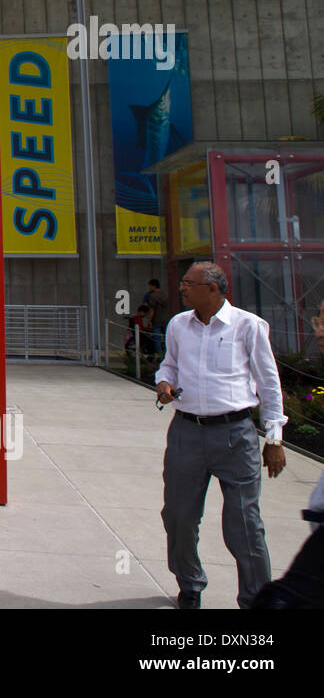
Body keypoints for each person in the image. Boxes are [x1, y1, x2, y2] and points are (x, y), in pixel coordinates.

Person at [155, 261, 287, 609]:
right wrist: (164, 382)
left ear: (212, 289)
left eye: (189, 283)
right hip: (186, 434)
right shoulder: (178, 325)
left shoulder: (248, 326)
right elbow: (169, 363)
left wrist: (274, 439)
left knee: (244, 525)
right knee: (179, 517)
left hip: (235, 436)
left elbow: (270, 386)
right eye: (183, 282)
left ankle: (256, 600)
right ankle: (190, 584)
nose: (181, 288)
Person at [146, 278, 169, 353]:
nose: (149, 288)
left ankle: (159, 355)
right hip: (166, 319)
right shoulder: (165, 294)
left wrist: (149, 320)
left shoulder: (152, 296)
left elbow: (152, 310)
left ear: (154, 286)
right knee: (167, 338)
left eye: (150, 286)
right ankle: (168, 353)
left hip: (157, 320)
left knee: (157, 339)